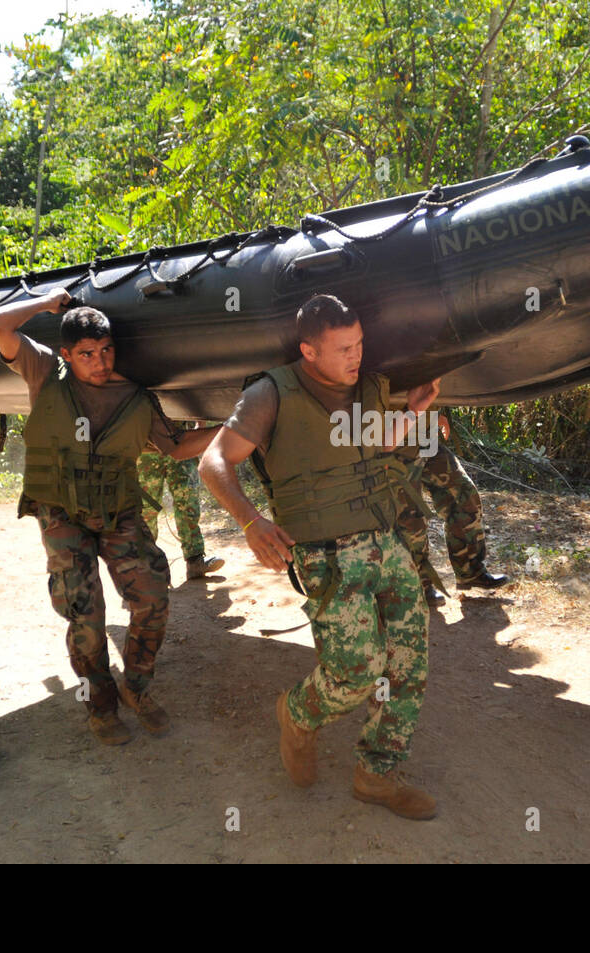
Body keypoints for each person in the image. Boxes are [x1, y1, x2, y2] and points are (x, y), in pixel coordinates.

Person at [200, 293, 441, 820]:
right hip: (327, 554)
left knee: (408, 663)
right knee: (356, 671)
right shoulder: (272, 394)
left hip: (386, 542)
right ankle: (297, 714)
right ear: (309, 350)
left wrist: (414, 413)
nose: (355, 357)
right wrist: (250, 520)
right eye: (342, 349)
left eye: (358, 345)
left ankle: (376, 775)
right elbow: (213, 461)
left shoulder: (366, 388)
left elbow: (369, 446)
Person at [0, 289, 217, 745]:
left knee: (153, 596)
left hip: (117, 510)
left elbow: (176, 446)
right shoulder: (45, 372)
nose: (100, 361)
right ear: (68, 354)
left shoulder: (134, 395)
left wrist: (236, 425)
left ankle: (136, 686)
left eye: (107, 350)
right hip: (61, 513)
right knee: (85, 615)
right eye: (87, 354)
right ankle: (100, 705)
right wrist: (48, 301)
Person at [394, 414, 510, 607]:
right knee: (411, 516)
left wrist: (433, 415)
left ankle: (469, 570)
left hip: (423, 437)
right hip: (392, 440)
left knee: (464, 495)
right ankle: (419, 586)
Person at [138, 441, 224, 579]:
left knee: (188, 502)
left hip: (183, 443)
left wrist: (199, 427)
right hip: (146, 448)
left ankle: (195, 560)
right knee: (146, 509)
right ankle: (146, 565)